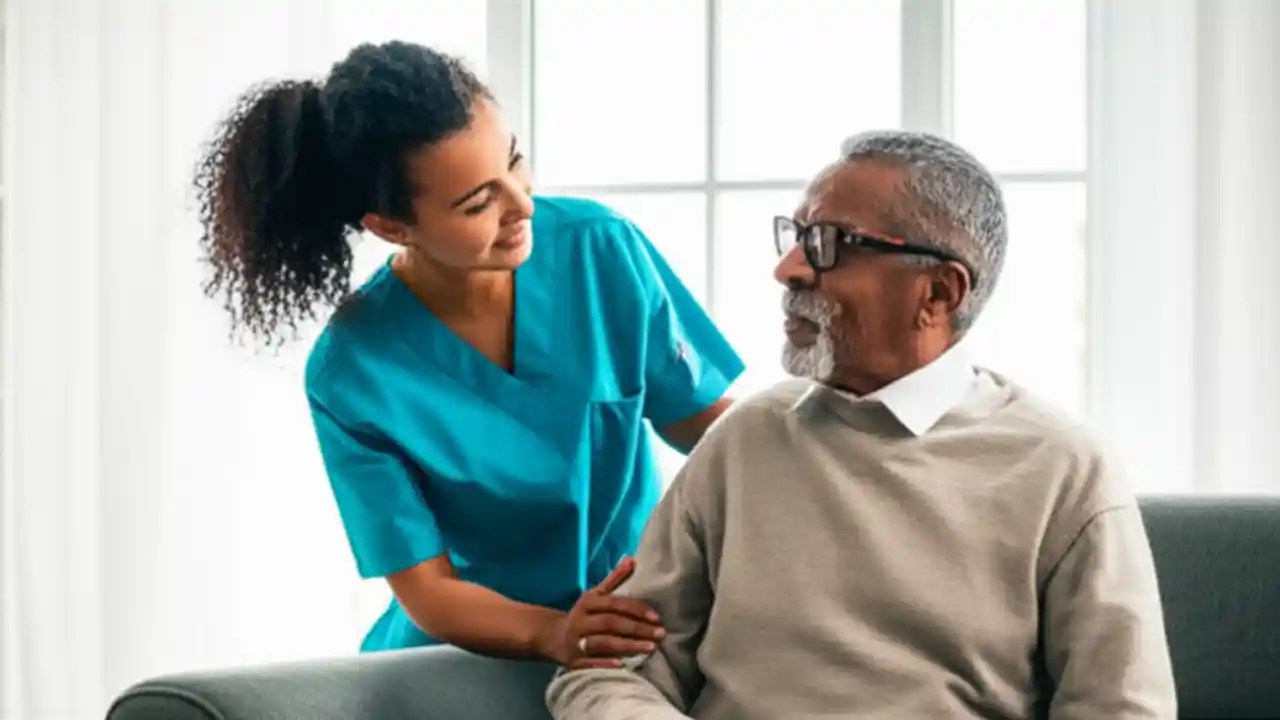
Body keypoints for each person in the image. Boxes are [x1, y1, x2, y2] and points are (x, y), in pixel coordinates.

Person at [546, 131, 1177, 719]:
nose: (789, 269)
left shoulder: (1063, 468)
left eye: (828, 244)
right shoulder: (744, 442)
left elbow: (1121, 708)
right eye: (795, 237)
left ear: (939, 293)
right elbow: (607, 672)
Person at [192, 41, 744, 666]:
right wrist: (552, 633)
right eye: (479, 202)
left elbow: (698, 420)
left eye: (515, 163)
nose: (523, 205)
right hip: (467, 659)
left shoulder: (600, 249)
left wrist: (823, 453)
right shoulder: (352, 373)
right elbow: (428, 590)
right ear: (392, 228)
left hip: (631, 627)